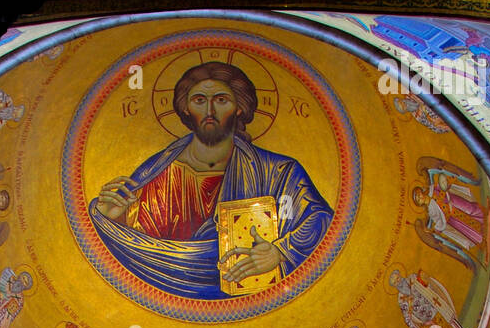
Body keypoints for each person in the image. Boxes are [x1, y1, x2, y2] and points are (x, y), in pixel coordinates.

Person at [89, 61, 332, 299]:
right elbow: (136, 251)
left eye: (221, 100)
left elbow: (322, 220)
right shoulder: (154, 175)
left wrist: (280, 252)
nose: (210, 112)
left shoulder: (278, 172)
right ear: (185, 108)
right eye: (199, 101)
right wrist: (113, 220)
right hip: (168, 306)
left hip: (250, 308)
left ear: (239, 107)